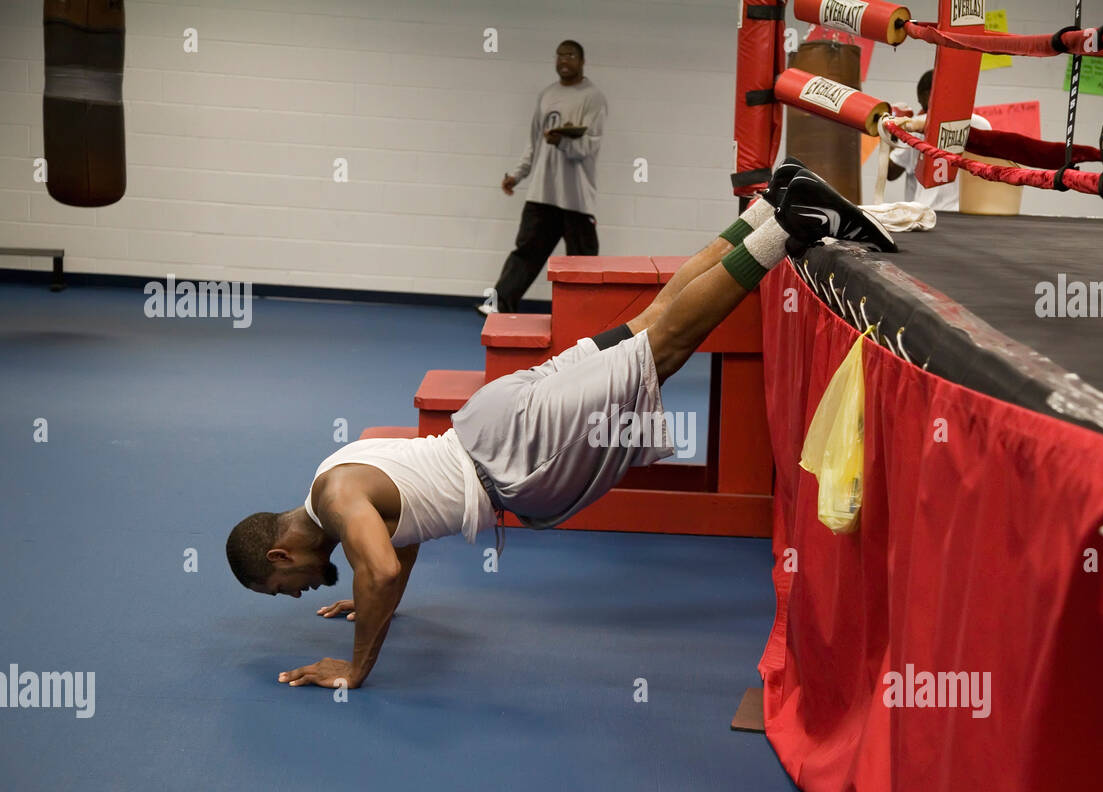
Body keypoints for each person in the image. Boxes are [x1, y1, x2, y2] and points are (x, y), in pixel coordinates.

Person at [226, 163, 896, 691]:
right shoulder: (329, 480)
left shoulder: (340, 504)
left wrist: (355, 665)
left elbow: (375, 563)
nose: (298, 594)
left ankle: (790, 225)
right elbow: (395, 548)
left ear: (279, 557)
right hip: (497, 422)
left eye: (281, 588)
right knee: (653, 323)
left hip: (514, 450)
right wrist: (375, 600)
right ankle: (763, 211)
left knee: (664, 347)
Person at [479, 40, 606, 318]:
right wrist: (517, 175)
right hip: (542, 194)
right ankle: (500, 304)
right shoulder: (547, 95)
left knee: (581, 261)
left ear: (582, 62)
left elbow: (589, 147)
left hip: (577, 198)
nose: (564, 60)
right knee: (526, 252)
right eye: (559, 55)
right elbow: (534, 143)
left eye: (570, 55)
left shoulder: (592, 97)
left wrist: (562, 142)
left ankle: (585, 314)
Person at [887, 70, 992, 212]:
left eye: (921, 100)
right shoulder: (982, 124)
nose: (922, 107)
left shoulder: (918, 125)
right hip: (969, 213)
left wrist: (892, 133)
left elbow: (890, 172)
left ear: (928, 94)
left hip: (927, 212)